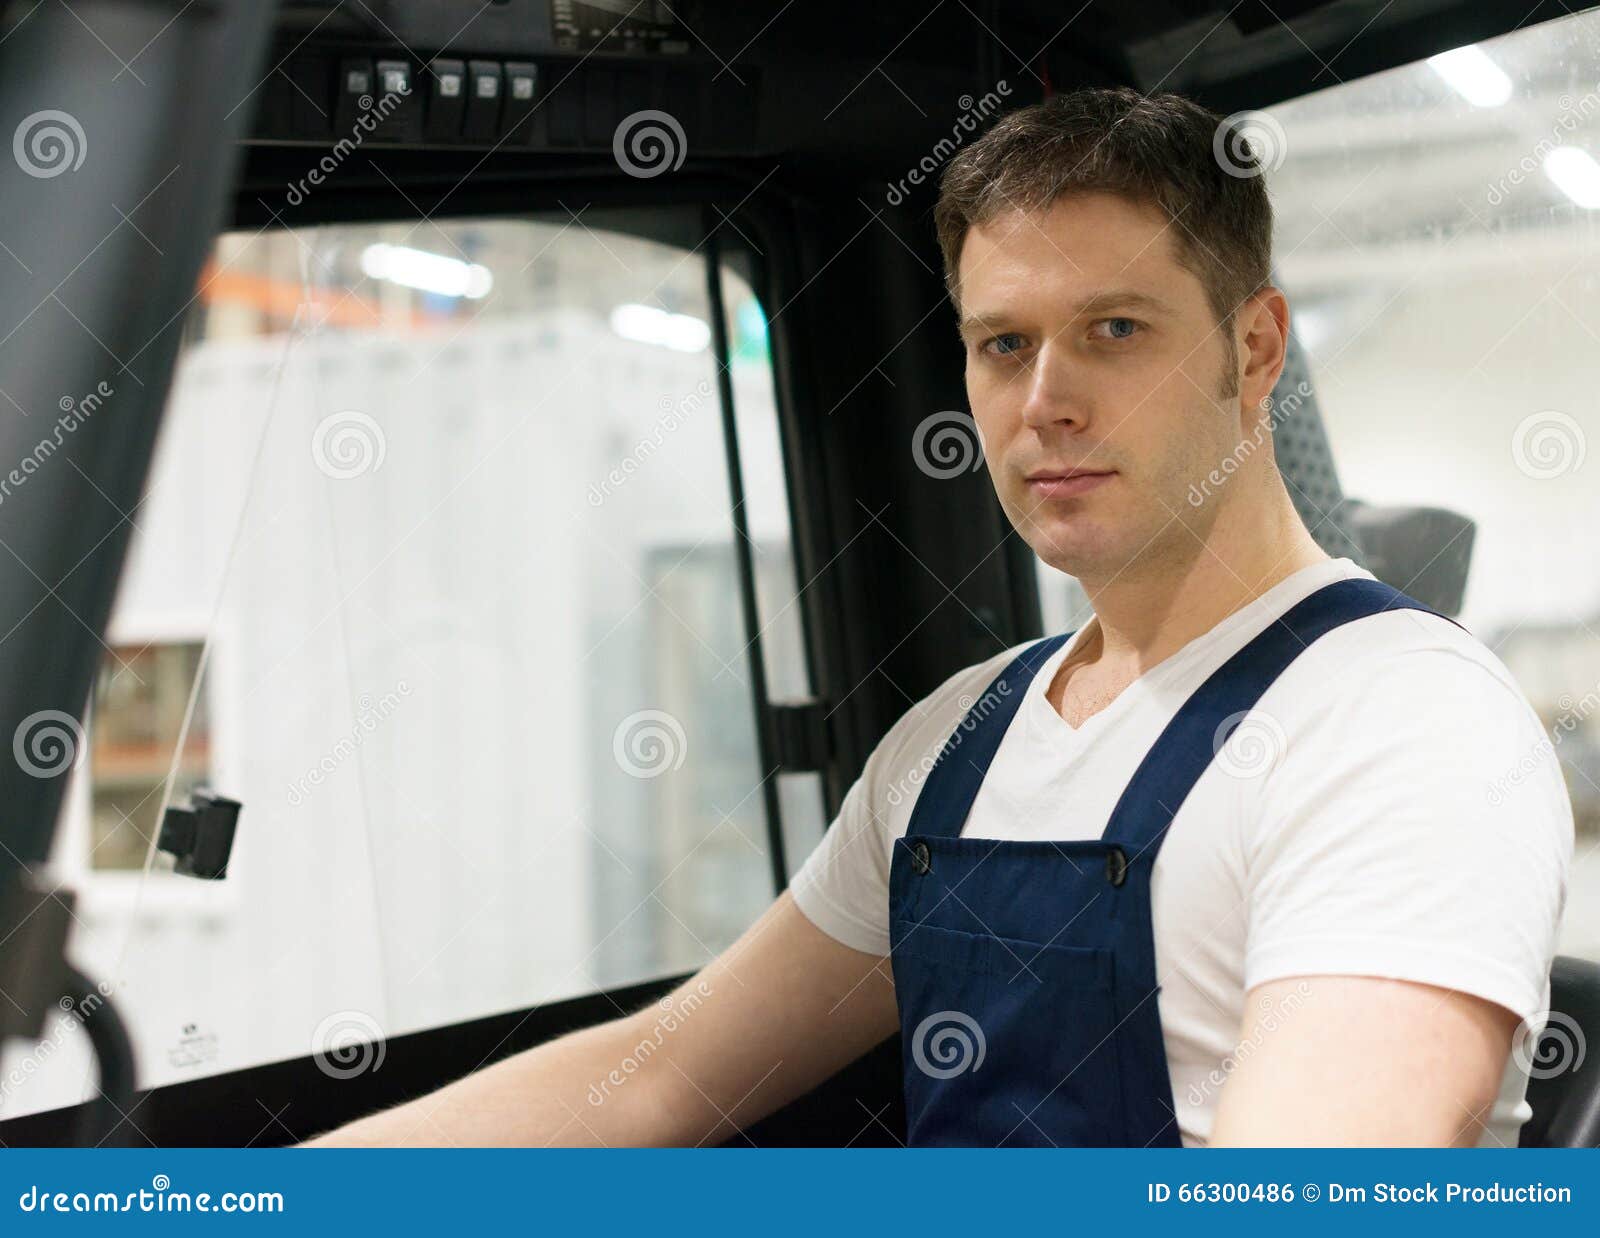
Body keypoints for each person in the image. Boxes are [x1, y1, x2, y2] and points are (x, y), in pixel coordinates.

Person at [307, 87, 1573, 1148]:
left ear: (1254, 349)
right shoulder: (952, 744)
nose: (1045, 401)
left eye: (1113, 331)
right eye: (1001, 343)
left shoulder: (1404, 726)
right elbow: (662, 1073)